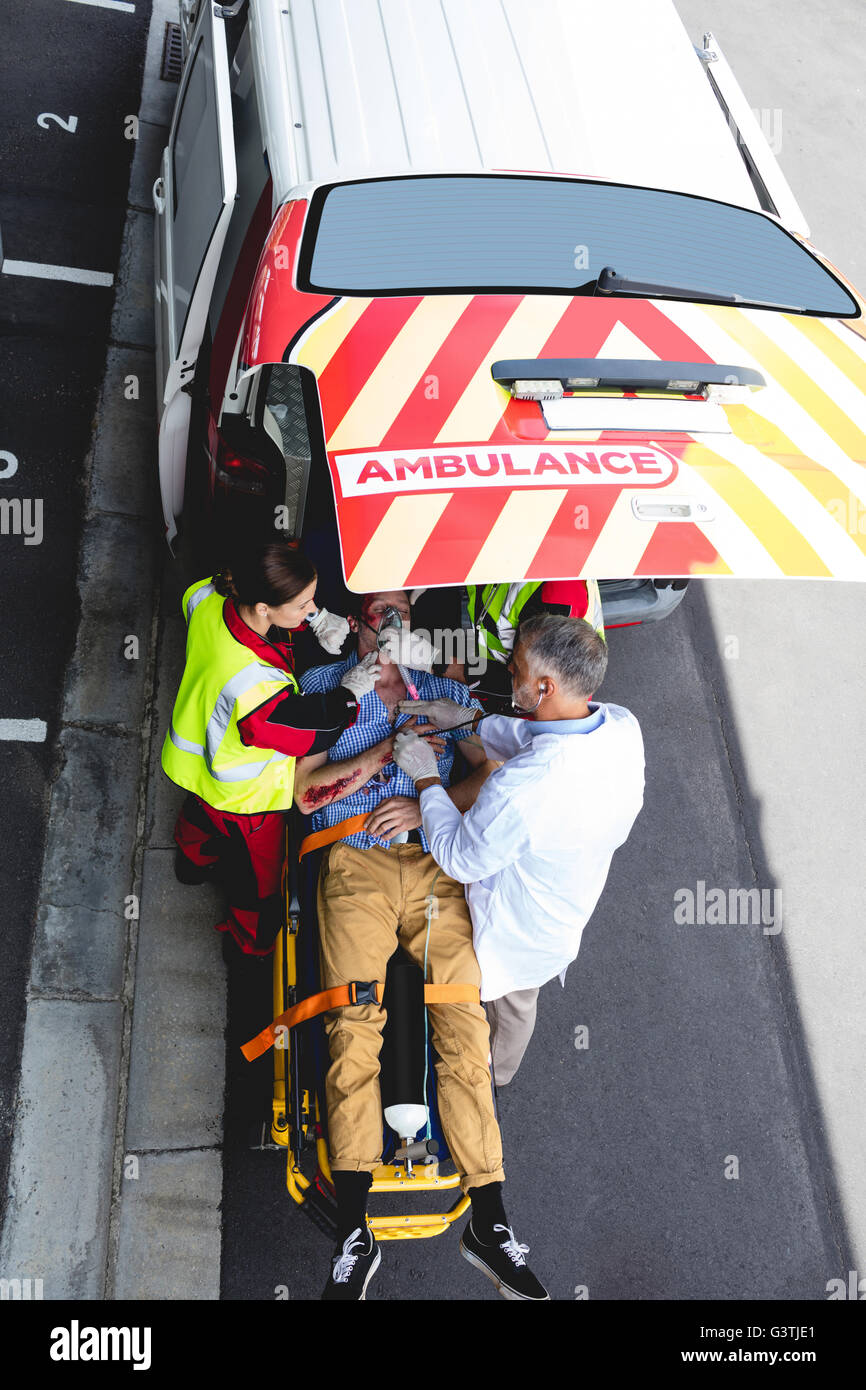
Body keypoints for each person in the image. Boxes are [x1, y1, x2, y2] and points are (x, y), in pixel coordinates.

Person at [295, 590, 549, 1301]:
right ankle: (354, 1228)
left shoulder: (442, 691)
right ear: (358, 624)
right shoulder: (323, 687)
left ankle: (490, 1222)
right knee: (354, 1020)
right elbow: (306, 794)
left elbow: (492, 777)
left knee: (465, 1022)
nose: (393, 622)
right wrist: (385, 756)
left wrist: (431, 796)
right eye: (380, 611)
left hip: (437, 864)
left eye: (402, 609)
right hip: (355, 859)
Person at [392, 613, 645, 1084]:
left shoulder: (527, 786)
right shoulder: (620, 726)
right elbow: (533, 737)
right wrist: (467, 721)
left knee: (509, 1006)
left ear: (545, 687)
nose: (508, 671)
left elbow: (459, 857)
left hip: (523, 930)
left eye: (516, 669)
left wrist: (425, 777)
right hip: (567, 891)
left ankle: (494, 1078)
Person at [161, 537, 382, 958]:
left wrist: (315, 618)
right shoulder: (256, 685)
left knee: (197, 822)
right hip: (245, 802)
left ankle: (190, 866)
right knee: (257, 886)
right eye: (303, 604)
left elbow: (217, 600)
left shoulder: (209, 595)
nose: (309, 609)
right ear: (265, 608)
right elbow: (308, 734)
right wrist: (348, 696)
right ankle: (249, 946)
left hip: (195, 764)